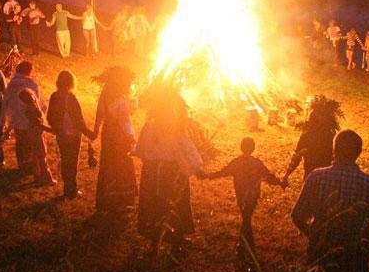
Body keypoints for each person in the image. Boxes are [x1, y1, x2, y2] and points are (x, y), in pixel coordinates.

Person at [291, 129, 369, 272]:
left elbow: (297, 215)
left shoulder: (316, 177)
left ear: (334, 150)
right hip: (355, 254)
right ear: (358, 153)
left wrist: (314, 234)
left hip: (321, 252)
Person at [136, 83, 203, 253]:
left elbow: (140, 150)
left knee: (155, 204)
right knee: (174, 204)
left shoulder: (148, 127)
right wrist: (197, 168)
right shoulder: (175, 131)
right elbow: (189, 150)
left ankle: (156, 238)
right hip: (171, 174)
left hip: (151, 173)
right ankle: (175, 240)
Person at [202, 137, 284, 256]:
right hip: (253, 195)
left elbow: (223, 172)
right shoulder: (257, 163)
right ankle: (247, 246)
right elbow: (268, 176)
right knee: (247, 219)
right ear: (253, 148)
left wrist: (208, 176)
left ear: (241, 147)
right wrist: (280, 182)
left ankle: (243, 246)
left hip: (241, 195)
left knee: (246, 219)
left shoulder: (237, 162)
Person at [93, 66, 138, 213]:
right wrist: (131, 136)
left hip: (108, 132)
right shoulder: (120, 98)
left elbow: (100, 113)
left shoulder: (106, 93)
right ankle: (121, 200)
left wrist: (96, 130)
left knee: (108, 163)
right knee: (122, 164)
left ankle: (107, 199)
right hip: (119, 135)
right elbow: (124, 120)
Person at [47, 70, 95, 197]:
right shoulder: (71, 98)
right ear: (71, 83)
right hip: (73, 134)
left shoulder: (54, 96)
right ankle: (71, 190)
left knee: (65, 160)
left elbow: (50, 116)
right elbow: (78, 119)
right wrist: (88, 133)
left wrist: (56, 128)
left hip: (61, 134)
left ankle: (67, 188)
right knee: (72, 162)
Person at [283, 96, 343, 184]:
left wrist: (286, 175)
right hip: (329, 180)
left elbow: (296, 158)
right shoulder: (333, 137)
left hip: (311, 179)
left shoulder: (307, 137)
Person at [1, 61, 46, 174]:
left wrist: (3, 121)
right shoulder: (32, 84)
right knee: (31, 144)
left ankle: (23, 165)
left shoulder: (12, 84)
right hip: (31, 121)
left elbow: (5, 102)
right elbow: (40, 104)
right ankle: (31, 167)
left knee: (21, 144)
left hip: (17, 121)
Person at [19, 87, 56, 185]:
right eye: (28, 98)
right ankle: (47, 178)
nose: (31, 98)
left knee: (36, 155)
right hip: (35, 133)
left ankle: (38, 176)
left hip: (35, 132)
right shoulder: (29, 110)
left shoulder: (33, 107)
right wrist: (50, 129)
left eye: (30, 96)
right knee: (41, 155)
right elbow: (37, 123)